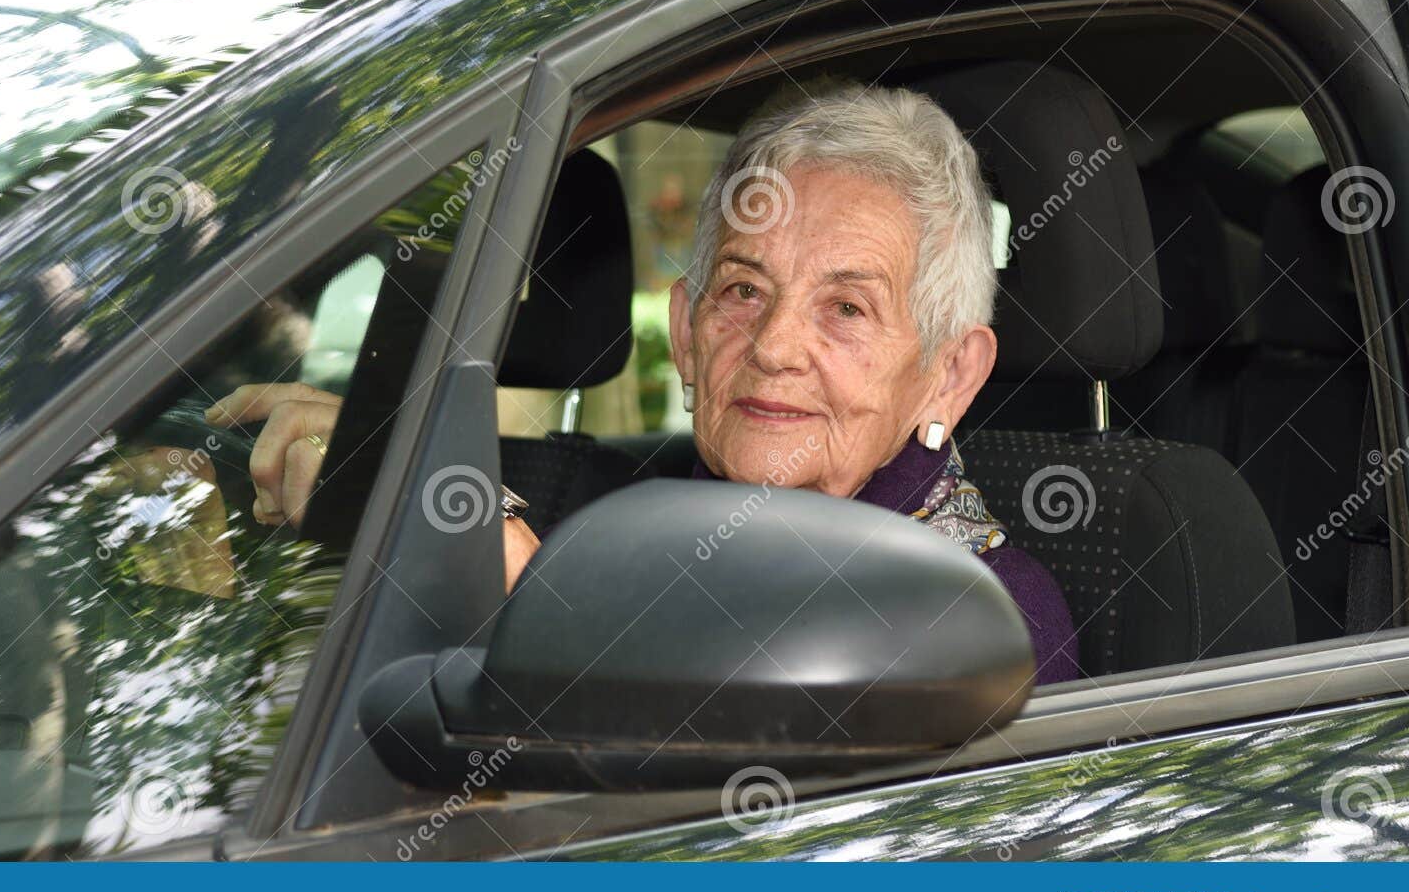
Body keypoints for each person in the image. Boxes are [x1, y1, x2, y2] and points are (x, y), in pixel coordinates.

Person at [206, 82, 1079, 684]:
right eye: (743, 289)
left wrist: (473, 545)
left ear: (950, 374)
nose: (773, 345)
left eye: (846, 308)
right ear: (689, 333)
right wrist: (378, 461)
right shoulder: (644, 521)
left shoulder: (988, 619)